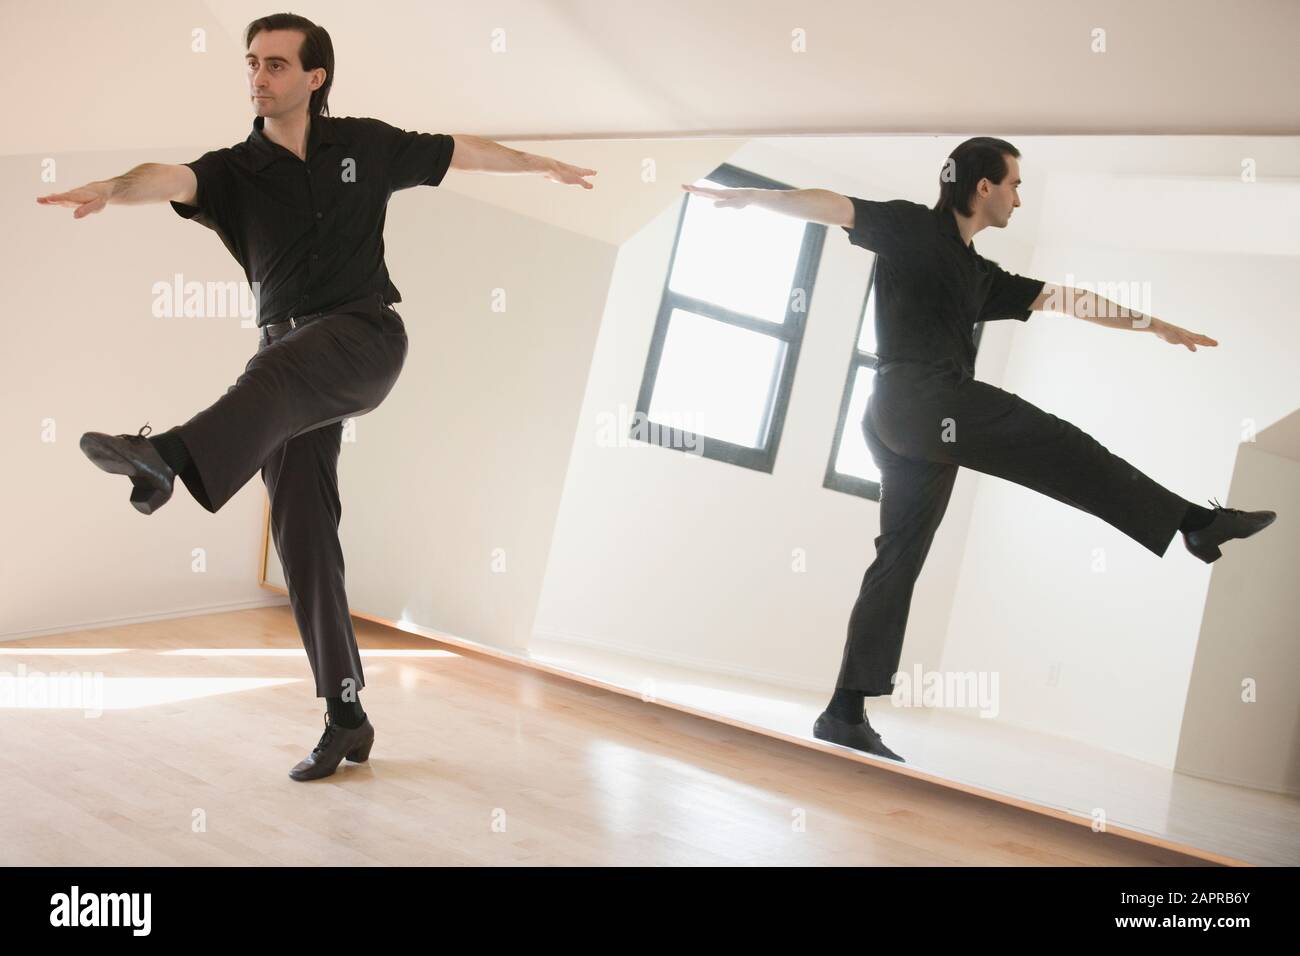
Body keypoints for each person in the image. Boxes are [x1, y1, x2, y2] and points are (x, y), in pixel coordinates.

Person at [37, 13, 597, 781]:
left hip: (364, 338)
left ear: (314, 77)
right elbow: (169, 177)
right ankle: (346, 715)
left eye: (274, 64)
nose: (258, 77)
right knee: (302, 533)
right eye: (251, 64)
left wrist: (537, 163)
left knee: (272, 374)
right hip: (286, 361)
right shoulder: (236, 169)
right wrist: (112, 188)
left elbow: (460, 149)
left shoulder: (364, 145)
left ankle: (165, 456)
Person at [682, 136, 1276, 763]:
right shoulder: (912, 226)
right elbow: (835, 206)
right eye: (1014, 183)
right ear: (983, 185)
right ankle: (1194, 522)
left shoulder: (978, 274)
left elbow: (1064, 300)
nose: (1020, 197)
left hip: (904, 418)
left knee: (899, 559)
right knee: (1058, 442)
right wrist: (753, 197)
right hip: (921, 400)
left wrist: (1153, 324)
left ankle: (843, 710)